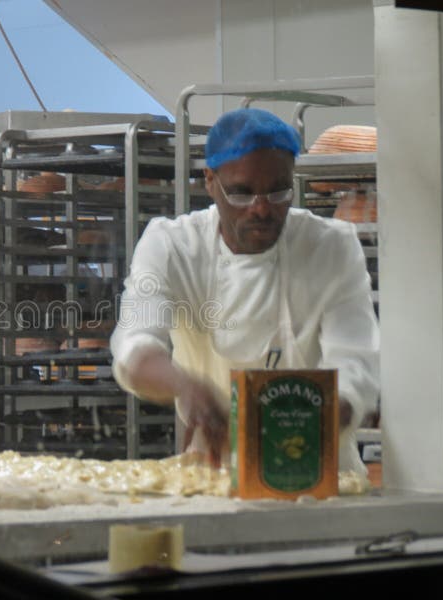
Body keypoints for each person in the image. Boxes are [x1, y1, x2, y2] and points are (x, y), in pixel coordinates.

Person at [110, 107, 379, 474]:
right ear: (209, 181)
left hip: (319, 470)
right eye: (241, 193)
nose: (261, 209)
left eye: (278, 191)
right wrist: (186, 386)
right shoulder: (172, 245)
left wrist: (325, 414)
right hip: (213, 471)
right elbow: (135, 345)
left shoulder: (330, 246)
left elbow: (355, 360)